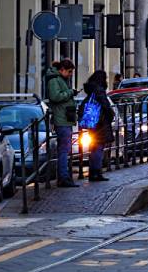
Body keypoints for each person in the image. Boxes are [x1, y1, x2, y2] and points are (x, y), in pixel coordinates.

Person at [45, 59, 78, 187]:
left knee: (65, 149)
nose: (70, 75)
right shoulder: (54, 80)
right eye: (69, 72)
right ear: (62, 70)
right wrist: (70, 92)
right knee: (64, 149)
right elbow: (55, 97)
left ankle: (65, 176)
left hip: (65, 119)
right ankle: (63, 177)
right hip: (62, 119)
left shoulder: (58, 79)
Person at [78, 70, 115, 182]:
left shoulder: (91, 90)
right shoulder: (99, 90)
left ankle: (93, 172)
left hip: (93, 123)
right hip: (100, 123)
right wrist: (110, 114)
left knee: (94, 147)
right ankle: (96, 172)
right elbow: (105, 105)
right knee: (98, 147)